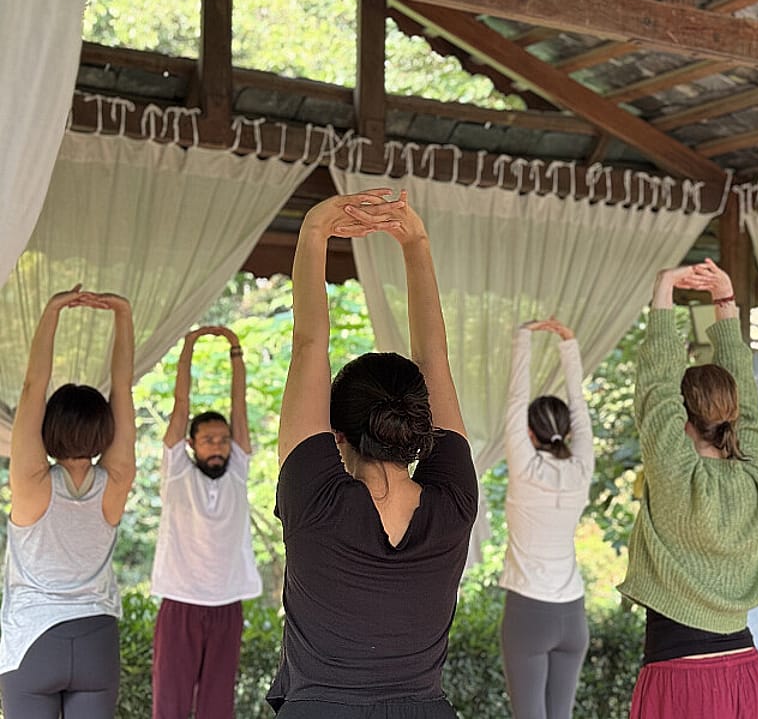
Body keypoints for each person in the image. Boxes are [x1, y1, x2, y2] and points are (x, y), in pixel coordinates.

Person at [267, 188, 478, 718]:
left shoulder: (314, 499)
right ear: (420, 425)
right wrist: (416, 243)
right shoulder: (453, 502)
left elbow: (310, 344)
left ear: (335, 432)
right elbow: (436, 359)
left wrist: (315, 231)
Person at [618, 258, 758, 719]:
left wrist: (663, 290)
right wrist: (725, 301)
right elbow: (740, 394)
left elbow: (655, 388)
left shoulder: (674, 476)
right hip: (746, 676)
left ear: (683, 420)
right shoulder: (755, 477)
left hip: (681, 680)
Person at [0, 286, 136, 718]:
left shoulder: (32, 484)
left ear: (47, 430)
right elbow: (123, 389)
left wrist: (53, 309)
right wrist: (123, 316)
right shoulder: (114, 482)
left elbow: (31, 389)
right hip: (97, 638)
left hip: (32, 641)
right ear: (105, 430)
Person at [151, 325, 263, 719]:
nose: (218, 446)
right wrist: (189, 345)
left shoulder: (237, 471)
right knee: (170, 703)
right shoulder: (178, 472)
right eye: (208, 440)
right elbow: (181, 406)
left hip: (226, 604)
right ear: (191, 445)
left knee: (218, 707)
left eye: (223, 439)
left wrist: (236, 350)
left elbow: (240, 407)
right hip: (180, 601)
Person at [500, 318, 595, 719]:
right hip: (573, 614)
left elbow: (515, 399)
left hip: (529, 613)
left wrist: (522, 339)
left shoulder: (525, 467)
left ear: (529, 432)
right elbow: (581, 410)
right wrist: (569, 346)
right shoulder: (580, 467)